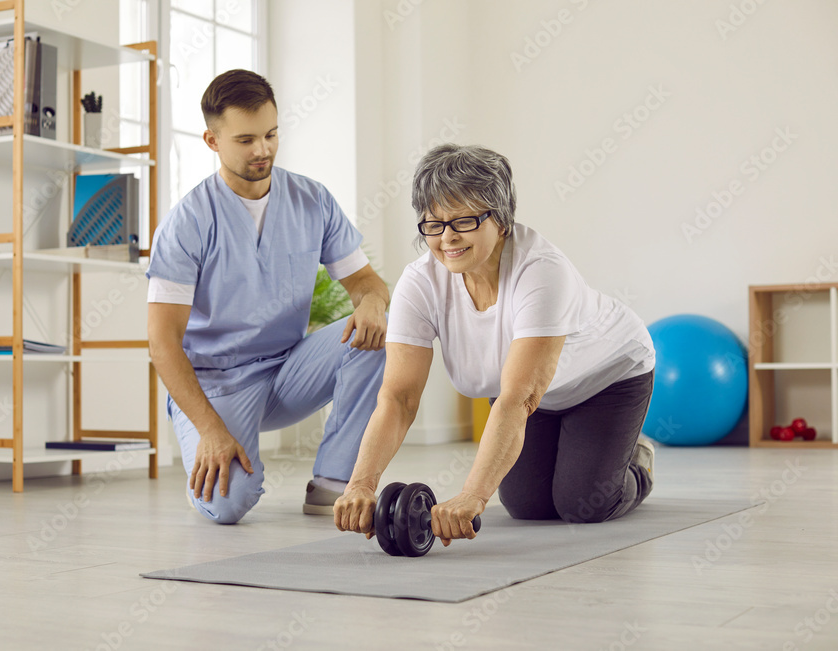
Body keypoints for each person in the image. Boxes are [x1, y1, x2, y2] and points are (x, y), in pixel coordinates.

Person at [334, 144, 656, 545]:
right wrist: (361, 484)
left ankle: (637, 462)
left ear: (500, 220)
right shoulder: (420, 283)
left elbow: (519, 399)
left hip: (605, 376)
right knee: (528, 506)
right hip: (526, 394)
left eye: (464, 221)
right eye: (433, 223)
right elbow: (398, 398)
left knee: (581, 504)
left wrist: (472, 495)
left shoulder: (541, 272)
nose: (447, 237)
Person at [147, 70, 389, 524]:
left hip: (287, 370)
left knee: (384, 333)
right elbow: (162, 341)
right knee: (227, 504)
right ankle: (203, 456)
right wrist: (210, 430)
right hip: (216, 384)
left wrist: (374, 303)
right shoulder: (188, 222)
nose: (263, 150)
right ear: (212, 141)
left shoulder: (312, 199)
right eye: (246, 140)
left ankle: (334, 482)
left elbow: (365, 283)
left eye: (271, 134)